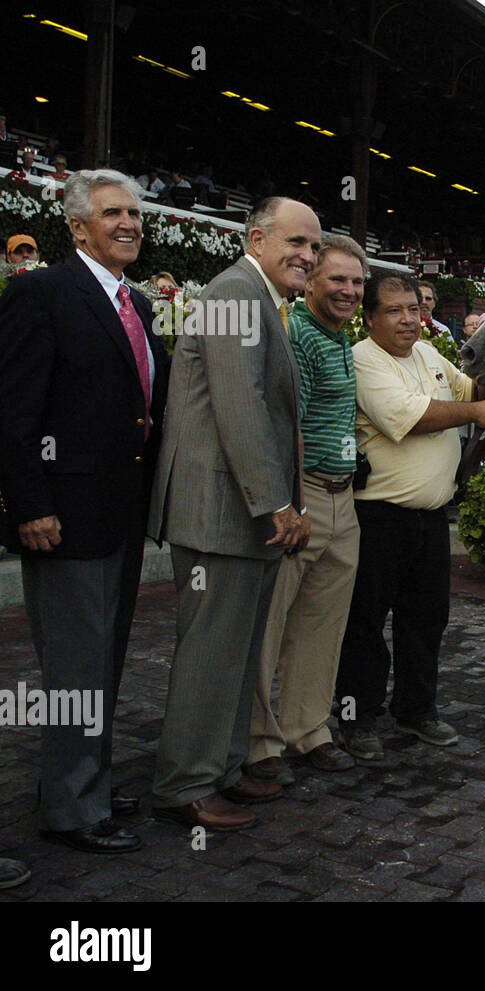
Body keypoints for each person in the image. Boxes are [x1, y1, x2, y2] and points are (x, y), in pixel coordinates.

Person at [0, 169, 169, 853]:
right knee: (74, 667)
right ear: (75, 227)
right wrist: (28, 505)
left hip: (119, 516)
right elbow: (13, 412)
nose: (129, 222)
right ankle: (71, 810)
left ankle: (85, 782)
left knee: (102, 661)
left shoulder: (138, 304)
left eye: (134, 212)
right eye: (111, 213)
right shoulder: (39, 292)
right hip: (62, 519)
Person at [147, 197, 318, 831]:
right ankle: (184, 785)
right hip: (222, 512)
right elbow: (241, 407)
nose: (306, 255)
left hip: (240, 512)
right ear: (256, 238)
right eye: (295, 242)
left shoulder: (255, 295)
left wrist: (286, 503)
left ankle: (219, 770)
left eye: (313, 246)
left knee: (238, 654)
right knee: (211, 654)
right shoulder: (236, 293)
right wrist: (276, 503)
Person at [334, 275, 485, 761]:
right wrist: (476, 410)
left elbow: (467, 385)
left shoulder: (429, 355)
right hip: (378, 518)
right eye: (393, 310)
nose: (408, 319)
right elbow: (407, 415)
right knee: (364, 622)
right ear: (369, 318)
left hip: (431, 519)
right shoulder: (364, 360)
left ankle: (415, 710)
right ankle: (356, 717)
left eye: (412, 308)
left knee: (426, 619)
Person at [247, 234, 367, 783]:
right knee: (271, 628)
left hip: (343, 500)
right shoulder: (299, 335)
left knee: (322, 627)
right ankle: (259, 742)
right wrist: (290, 503)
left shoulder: (339, 338)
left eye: (357, 281)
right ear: (311, 281)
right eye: (337, 279)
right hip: (307, 497)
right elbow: (284, 425)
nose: (348, 290)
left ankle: (309, 728)